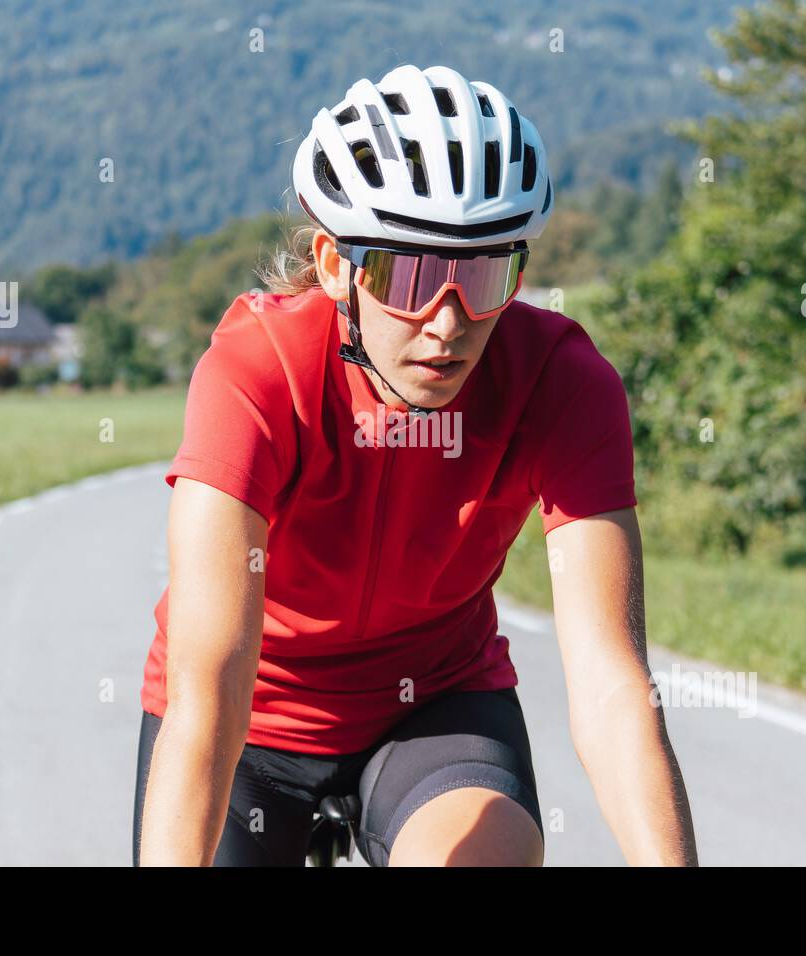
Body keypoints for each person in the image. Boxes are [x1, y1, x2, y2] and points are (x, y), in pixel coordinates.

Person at [133, 64, 697, 866]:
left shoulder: (562, 381)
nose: (449, 322)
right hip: (252, 718)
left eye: (481, 275)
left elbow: (612, 682)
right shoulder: (254, 374)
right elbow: (209, 687)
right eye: (411, 275)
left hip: (434, 708)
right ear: (337, 267)